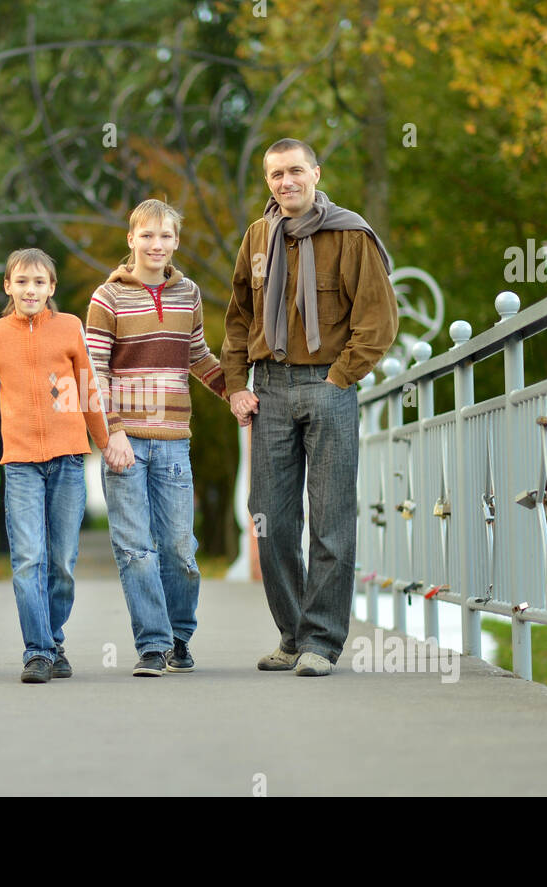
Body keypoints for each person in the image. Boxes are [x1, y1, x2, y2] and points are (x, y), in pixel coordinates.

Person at [222, 138, 398, 677]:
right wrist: (235, 384)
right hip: (269, 387)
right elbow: (237, 317)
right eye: (275, 174)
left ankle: (322, 641)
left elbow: (379, 322)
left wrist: (339, 377)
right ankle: (292, 634)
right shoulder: (258, 236)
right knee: (269, 518)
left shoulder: (350, 234)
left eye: (295, 171)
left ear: (315, 173)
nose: (285, 182)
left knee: (330, 519)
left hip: (329, 385)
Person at [0, 248, 111, 684]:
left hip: (69, 460)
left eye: (39, 283)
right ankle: (37, 652)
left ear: (51, 288)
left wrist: (107, 445)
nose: (30, 290)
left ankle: (53, 640)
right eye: (22, 282)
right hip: (20, 465)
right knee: (28, 558)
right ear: (8, 286)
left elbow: (88, 389)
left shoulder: (70, 327)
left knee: (62, 562)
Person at [86, 199, 228, 677]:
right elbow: (94, 371)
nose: (156, 244)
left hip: (173, 441)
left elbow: (198, 354)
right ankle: (151, 644)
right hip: (124, 443)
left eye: (165, 236)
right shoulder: (107, 298)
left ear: (175, 242)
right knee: (135, 549)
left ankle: (179, 637)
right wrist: (113, 433)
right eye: (147, 235)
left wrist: (236, 392)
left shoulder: (188, 293)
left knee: (179, 549)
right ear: (132, 240)